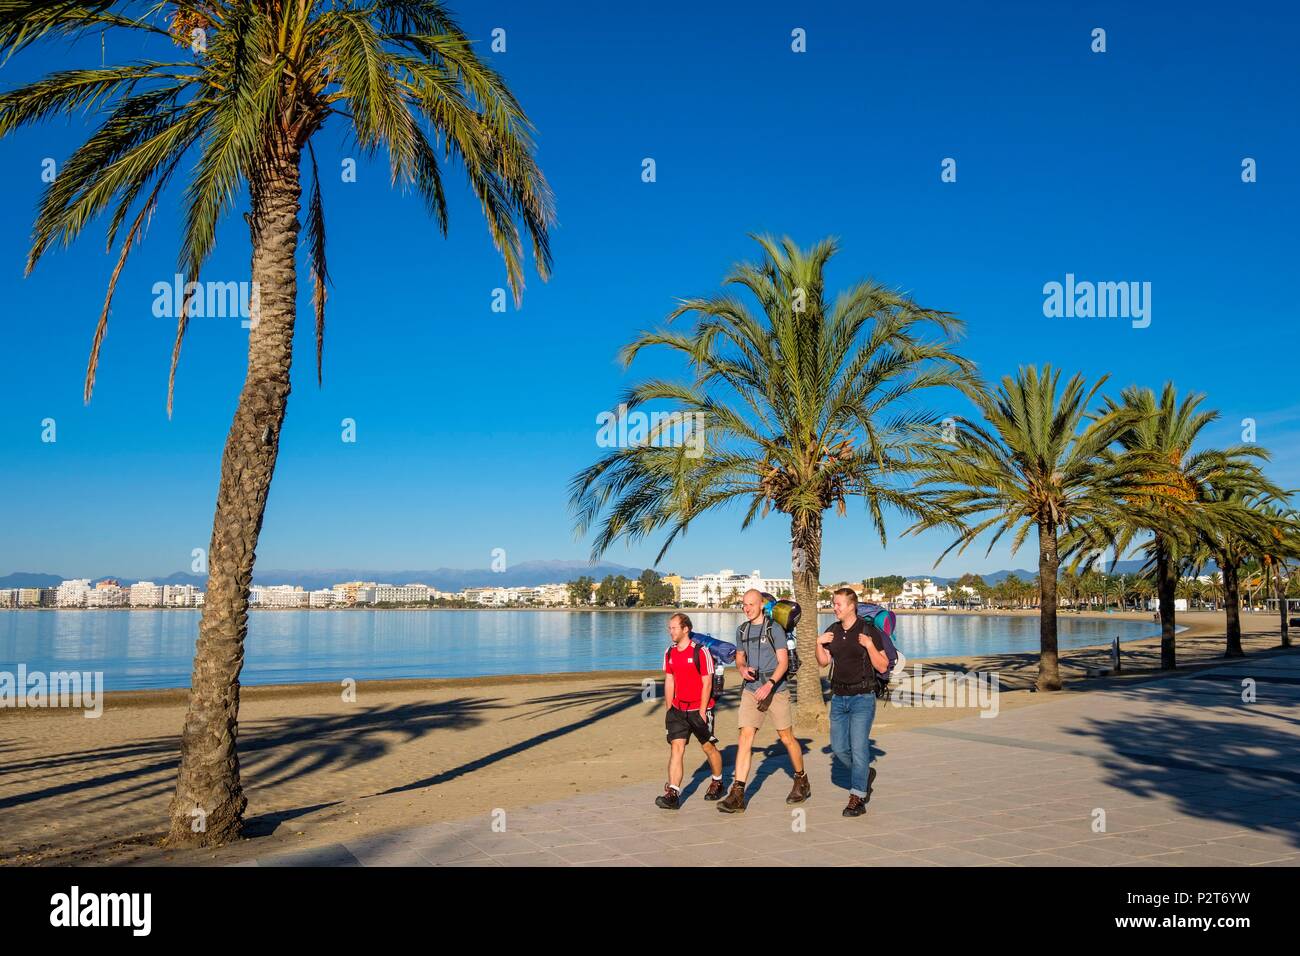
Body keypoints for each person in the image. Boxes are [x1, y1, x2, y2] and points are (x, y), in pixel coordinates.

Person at [716, 589, 810, 813]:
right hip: (751, 690)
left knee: (786, 737)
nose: (747, 608)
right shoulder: (742, 630)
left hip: (775, 690)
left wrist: (769, 685)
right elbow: (739, 658)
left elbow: (783, 663)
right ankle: (737, 793)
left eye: (751, 604)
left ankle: (801, 780)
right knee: (745, 737)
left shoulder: (774, 629)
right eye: (743, 605)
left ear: (761, 605)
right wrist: (742, 669)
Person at [816, 587, 890, 817]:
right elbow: (823, 663)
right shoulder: (832, 630)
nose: (834, 608)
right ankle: (865, 773)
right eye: (833, 603)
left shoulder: (868, 631)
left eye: (838, 604)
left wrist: (869, 645)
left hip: (862, 698)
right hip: (838, 698)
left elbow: (883, 666)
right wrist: (818, 644)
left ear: (851, 606)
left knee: (858, 748)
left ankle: (857, 796)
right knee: (839, 748)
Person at [657, 613, 725, 809]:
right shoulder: (669, 652)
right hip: (678, 709)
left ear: (686, 629)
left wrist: (703, 711)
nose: (671, 632)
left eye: (674, 628)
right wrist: (669, 708)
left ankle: (718, 781)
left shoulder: (700, 652)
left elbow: (707, 682)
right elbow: (669, 680)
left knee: (708, 748)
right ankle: (673, 793)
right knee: (676, 749)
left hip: (700, 709)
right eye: (669, 628)